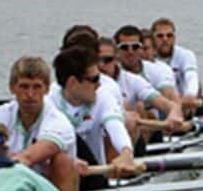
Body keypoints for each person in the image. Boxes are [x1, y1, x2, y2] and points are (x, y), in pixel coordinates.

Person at [0, 56, 81, 191]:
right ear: (12, 88)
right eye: (24, 86)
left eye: (36, 87)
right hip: (10, 189)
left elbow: (27, 158)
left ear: (47, 89)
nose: (30, 94)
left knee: (63, 161)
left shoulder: (58, 122)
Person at [47, 44, 137, 180]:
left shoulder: (103, 97)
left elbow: (116, 127)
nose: (99, 84)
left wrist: (126, 153)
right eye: (94, 79)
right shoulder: (49, 100)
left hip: (93, 176)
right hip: (61, 175)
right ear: (72, 83)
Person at [147, 18, 202, 116]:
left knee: (198, 85)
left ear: (174, 38)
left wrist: (190, 94)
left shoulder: (186, 55)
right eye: (160, 36)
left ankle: (187, 114)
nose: (165, 39)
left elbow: (191, 76)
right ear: (152, 39)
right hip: (158, 103)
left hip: (184, 102)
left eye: (169, 35)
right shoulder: (147, 56)